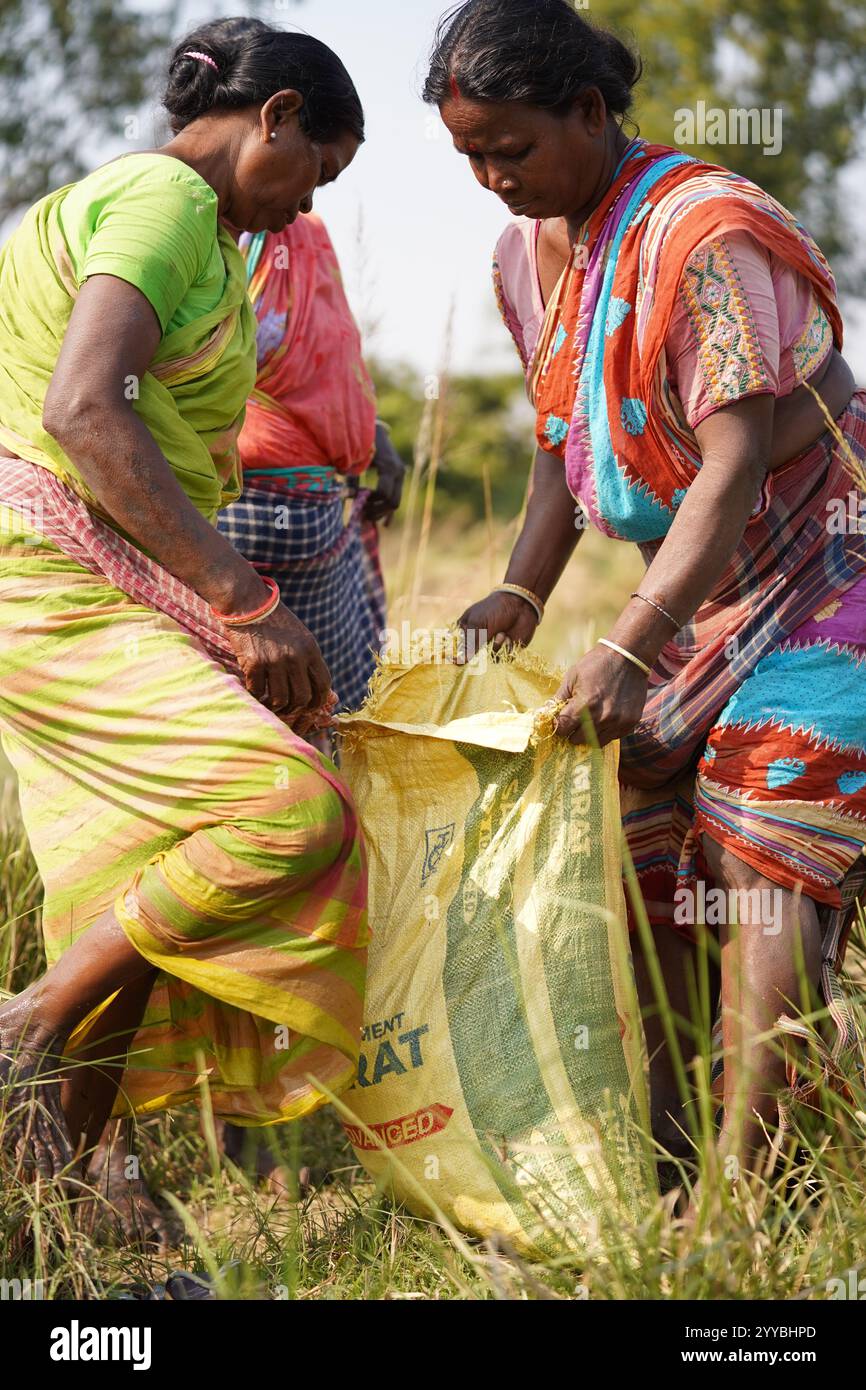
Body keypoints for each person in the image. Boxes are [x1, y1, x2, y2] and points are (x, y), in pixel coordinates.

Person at [424, 0, 866, 1181]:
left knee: (758, 837)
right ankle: (676, 1158)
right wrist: (521, 590)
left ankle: (745, 1189)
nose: (489, 180)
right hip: (704, 589)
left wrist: (626, 644)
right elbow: (565, 438)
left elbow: (727, 459)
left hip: (825, 560)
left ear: (586, 109)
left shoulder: (698, 230)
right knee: (633, 831)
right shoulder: (529, 257)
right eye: (467, 156)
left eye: (508, 149)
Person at [0, 17, 370, 1186]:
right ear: (276, 117)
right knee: (290, 809)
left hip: (89, 575)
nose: (309, 205)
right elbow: (83, 410)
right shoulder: (164, 201)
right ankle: (25, 1021)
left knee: (133, 880)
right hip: (53, 579)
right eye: (319, 167)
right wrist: (245, 600)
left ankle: (61, 1194)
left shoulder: (207, 234)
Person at [217, 212, 405, 725]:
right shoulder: (221, 234)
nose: (305, 198)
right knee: (325, 711)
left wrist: (373, 435)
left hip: (242, 511)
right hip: (259, 509)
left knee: (240, 709)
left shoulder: (275, 234)